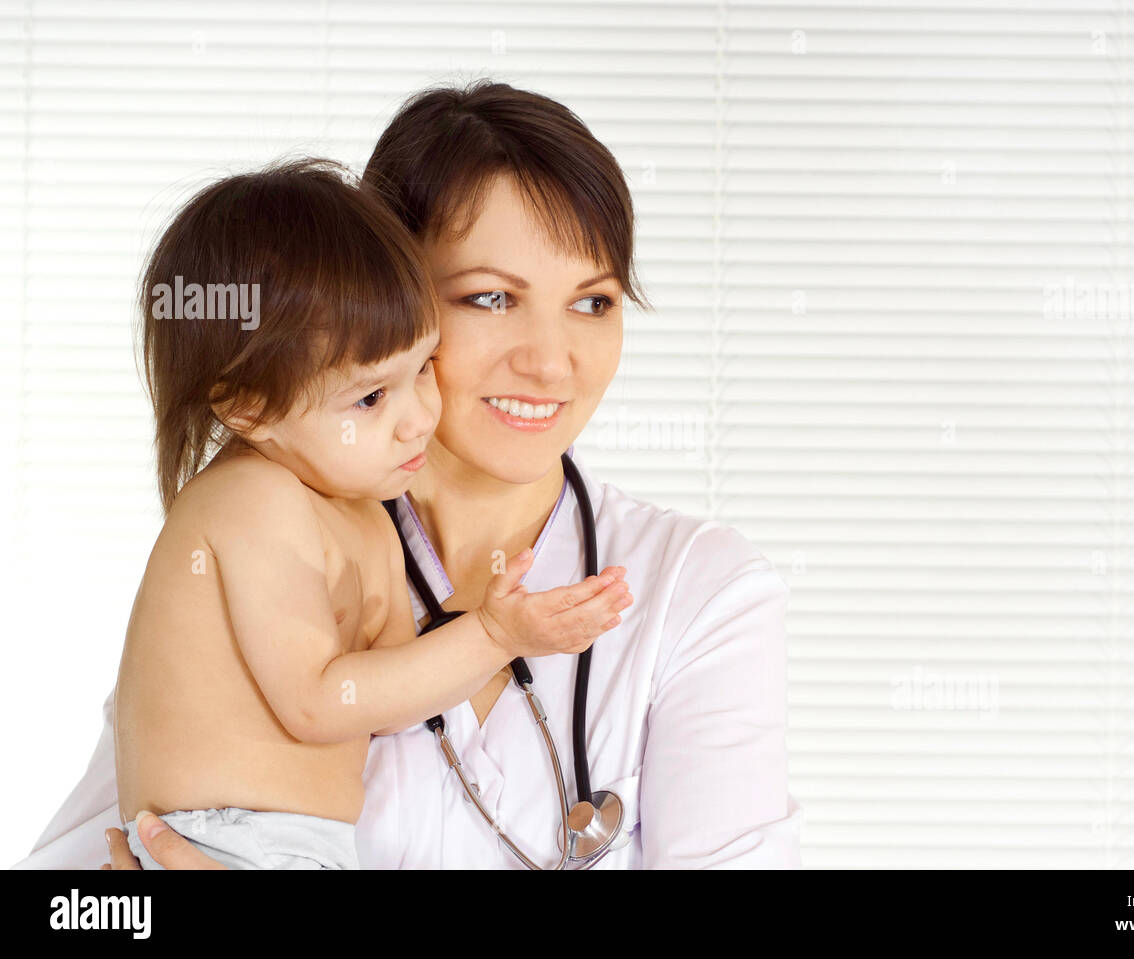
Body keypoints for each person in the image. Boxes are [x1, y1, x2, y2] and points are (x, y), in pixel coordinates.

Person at [17, 80, 802, 870]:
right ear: (380, 289)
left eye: (593, 302)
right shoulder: (261, 537)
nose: (550, 361)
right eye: (491, 297)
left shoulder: (698, 591)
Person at [112, 159, 633, 869]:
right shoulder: (252, 499)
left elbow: (392, 699)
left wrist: (501, 626)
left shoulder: (367, 516)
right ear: (249, 407)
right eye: (369, 399)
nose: (418, 417)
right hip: (225, 842)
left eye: (421, 368)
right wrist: (492, 633)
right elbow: (318, 704)